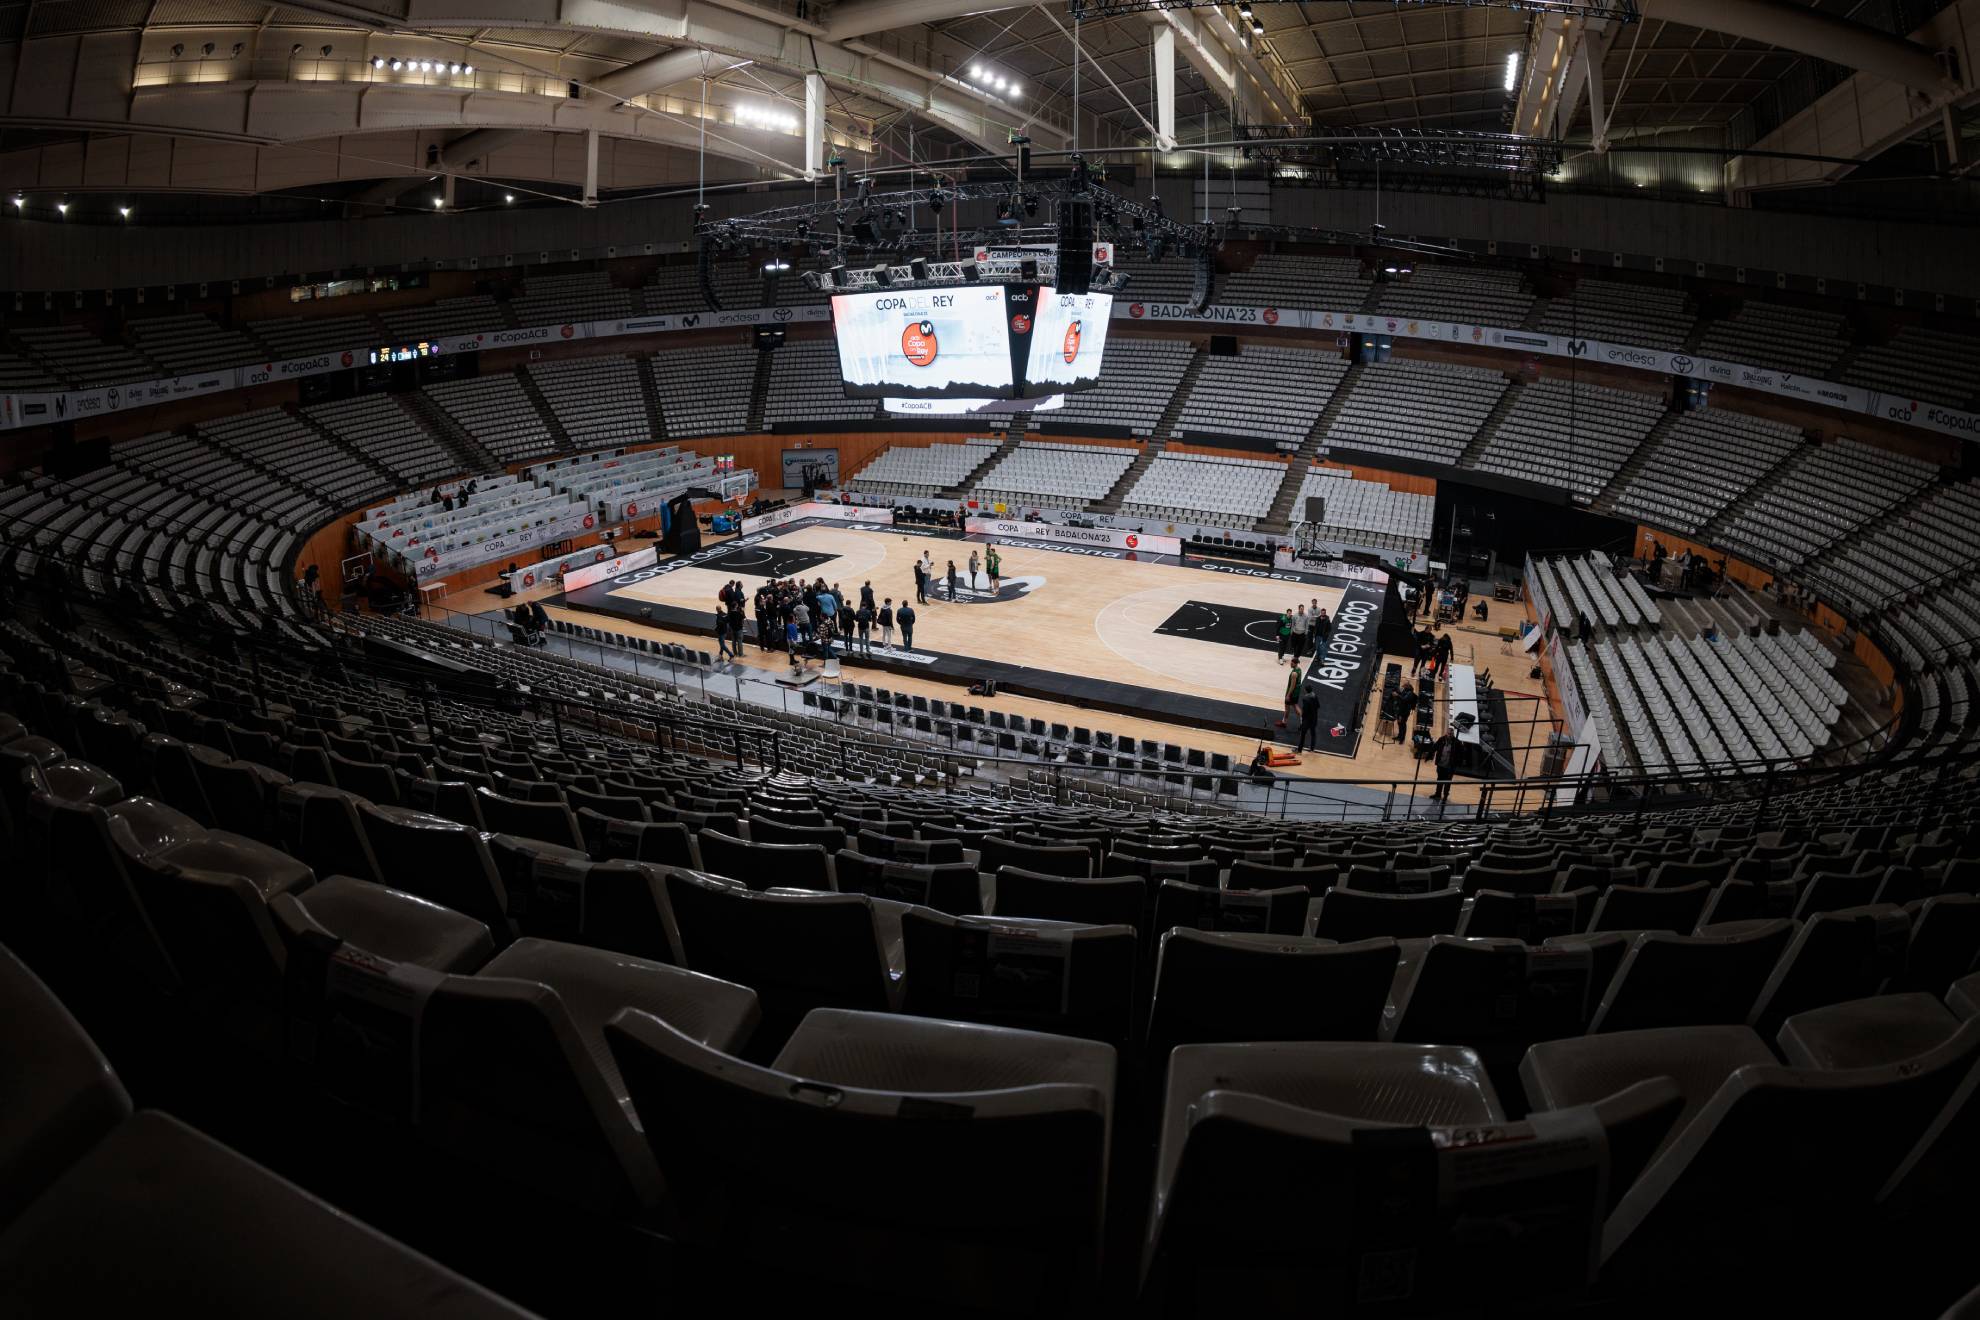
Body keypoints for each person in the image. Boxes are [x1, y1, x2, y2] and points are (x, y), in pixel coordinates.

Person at [1430, 725, 1461, 801]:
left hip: (1449, 767)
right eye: (1448, 733)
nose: (1449, 735)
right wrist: (1429, 755)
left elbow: (1460, 754)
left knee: (1447, 783)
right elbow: (1435, 747)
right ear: (1446, 733)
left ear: (1453, 734)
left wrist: (1456, 764)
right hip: (1441, 765)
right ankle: (1438, 794)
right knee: (1439, 780)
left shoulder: (1457, 743)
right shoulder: (1441, 739)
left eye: (1451, 734)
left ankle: (1445, 796)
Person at [1294, 682, 1322, 752]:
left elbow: (1305, 711)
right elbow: (1318, 706)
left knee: (1303, 734)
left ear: (1306, 690)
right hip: (1314, 718)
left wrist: (1302, 718)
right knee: (1313, 733)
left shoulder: (1306, 699)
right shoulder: (1315, 696)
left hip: (1307, 720)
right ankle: (1312, 748)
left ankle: (1299, 750)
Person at [1278, 663, 1302, 731]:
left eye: (1291, 663)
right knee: (1295, 706)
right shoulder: (1299, 669)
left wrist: (1288, 695)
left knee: (1287, 708)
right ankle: (1302, 722)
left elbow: (1292, 685)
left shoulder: (1294, 673)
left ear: (1295, 663)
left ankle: (1284, 722)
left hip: (1292, 693)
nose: (1290, 664)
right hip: (1296, 692)